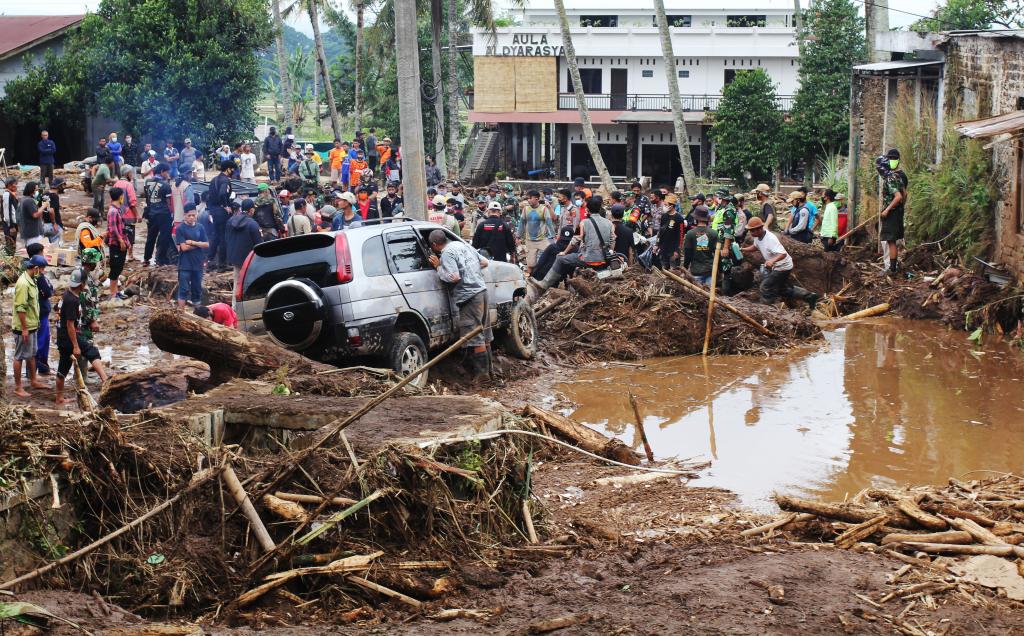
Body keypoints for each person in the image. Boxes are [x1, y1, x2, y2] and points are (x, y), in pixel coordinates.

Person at [426, 229, 492, 379]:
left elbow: (454, 277)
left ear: (434, 245)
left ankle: (483, 377)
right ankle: (490, 372)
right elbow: (484, 262)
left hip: (470, 297)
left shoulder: (446, 254)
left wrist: (438, 267)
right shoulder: (463, 245)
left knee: (475, 337)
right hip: (482, 291)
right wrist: (470, 271)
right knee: (485, 335)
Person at [529, 198, 613, 300]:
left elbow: (575, 239)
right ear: (600, 208)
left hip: (588, 259)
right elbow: (613, 239)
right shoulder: (609, 223)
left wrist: (564, 252)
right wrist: (610, 251)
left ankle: (544, 283)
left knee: (560, 259)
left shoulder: (584, 222)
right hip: (604, 259)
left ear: (588, 209)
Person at [54, 268, 108, 406]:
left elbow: (57, 310)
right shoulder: (72, 300)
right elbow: (70, 325)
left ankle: (59, 398)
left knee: (63, 368)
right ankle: (106, 381)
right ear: (82, 284)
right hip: (69, 336)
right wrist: (76, 346)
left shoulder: (67, 294)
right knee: (92, 352)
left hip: (62, 336)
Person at [741, 217, 819, 309]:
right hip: (778, 266)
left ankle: (767, 309)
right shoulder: (758, 237)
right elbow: (755, 246)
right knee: (782, 289)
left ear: (759, 229)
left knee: (765, 286)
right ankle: (809, 296)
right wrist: (743, 249)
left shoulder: (770, 239)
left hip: (783, 267)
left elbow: (783, 254)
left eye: (752, 231)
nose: (750, 232)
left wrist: (772, 261)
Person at [12, 255, 49, 397]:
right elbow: (20, 308)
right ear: (35, 268)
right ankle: (18, 387)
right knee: (19, 356)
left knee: (32, 354)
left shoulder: (32, 279)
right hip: (23, 327)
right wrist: (24, 329)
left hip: (32, 324)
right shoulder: (23, 284)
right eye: (42, 269)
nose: (43, 272)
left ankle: (33, 380)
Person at [25, 243, 53, 376]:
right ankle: (34, 371)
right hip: (39, 313)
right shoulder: (38, 276)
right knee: (40, 342)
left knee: (42, 341)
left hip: (38, 312)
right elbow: (48, 291)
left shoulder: (29, 271)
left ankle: (40, 368)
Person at [879, 148, 908, 275]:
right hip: (897, 211)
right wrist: (900, 207)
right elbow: (905, 194)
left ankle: (891, 269)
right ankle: (892, 267)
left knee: (890, 241)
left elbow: (899, 196)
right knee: (892, 240)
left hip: (891, 212)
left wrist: (887, 209)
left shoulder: (891, 177)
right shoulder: (898, 176)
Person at [175, 207, 209, 308]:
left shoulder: (200, 227)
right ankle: (181, 312)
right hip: (185, 264)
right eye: (189, 215)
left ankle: (197, 311)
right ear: (184, 215)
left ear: (196, 215)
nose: (191, 217)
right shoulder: (180, 228)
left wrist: (192, 242)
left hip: (198, 263)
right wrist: (199, 244)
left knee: (197, 289)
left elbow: (207, 244)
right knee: (183, 289)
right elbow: (184, 248)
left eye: (193, 215)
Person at [227, 199, 263, 288]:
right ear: (251, 210)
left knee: (237, 283)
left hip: (235, 259)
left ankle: (236, 298)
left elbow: (226, 239)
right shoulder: (253, 224)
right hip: (250, 261)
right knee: (250, 285)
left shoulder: (230, 221)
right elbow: (259, 245)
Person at [517, 190, 556, 274]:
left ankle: (548, 276)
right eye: (527, 198)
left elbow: (549, 223)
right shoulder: (525, 209)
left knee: (550, 257)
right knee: (530, 264)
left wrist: (553, 236)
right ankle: (530, 278)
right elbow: (521, 223)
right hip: (529, 240)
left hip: (542, 239)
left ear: (537, 199)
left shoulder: (544, 209)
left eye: (530, 198)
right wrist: (518, 236)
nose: (528, 200)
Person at [143, 163, 174, 266]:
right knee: (164, 237)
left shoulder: (147, 182)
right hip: (164, 214)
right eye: (167, 172)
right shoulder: (166, 185)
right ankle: (161, 259)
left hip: (151, 213)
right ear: (162, 172)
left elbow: (147, 199)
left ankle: (146, 259)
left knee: (151, 237)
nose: (168, 174)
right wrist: (172, 214)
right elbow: (169, 203)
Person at [207, 160, 235, 268]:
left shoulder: (214, 180)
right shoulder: (225, 180)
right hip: (222, 212)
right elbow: (223, 193)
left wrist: (211, 210)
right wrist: (226, 205)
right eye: (232, 169)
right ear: (228, 169)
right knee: (224, 238)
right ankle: (222, 264)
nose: (233, 171)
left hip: (214, 211)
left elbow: (209, 197)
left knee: (216, 236)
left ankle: (210, 260)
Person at [683, 208, 719, 286]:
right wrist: (720, 270)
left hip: (696, 270)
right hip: (710, 270)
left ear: (696, 219)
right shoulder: (714, 233)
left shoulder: (690, 234)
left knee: (696, 293)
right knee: (709, 292)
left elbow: (687, 254)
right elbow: (717, 253)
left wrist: (685, 268)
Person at [105, 186, 130, 300]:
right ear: (120, 197)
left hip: (121, 242)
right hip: (116, 244)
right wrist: (120, 240)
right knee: (115, 268)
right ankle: (113, 293)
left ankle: (116, 291)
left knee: (119, 267)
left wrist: (126, 242)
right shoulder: (113, 211)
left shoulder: (117, 209)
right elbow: (112, 228)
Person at [111, 169, 137, 257]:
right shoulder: (129, 185)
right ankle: (130, 254)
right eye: (131, 173)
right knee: (130, 233)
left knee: (119, 231)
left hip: (118, 213)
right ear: (127, 174)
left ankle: (121, 253)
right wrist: (137, 215)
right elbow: (132, 202)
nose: (132, 175)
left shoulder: (116, 184)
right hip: (128, 214)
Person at [656, 197, 686, 270]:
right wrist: (657, 244)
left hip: (673, 249)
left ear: (671, 206)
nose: (664, 206)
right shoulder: (664, 216)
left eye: (666, 205)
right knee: (663, 269)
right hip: (664, 248)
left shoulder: (679, 218)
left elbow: (681, 235)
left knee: (674, 270)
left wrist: (677, 250)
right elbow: (661, 231)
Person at [18, 181, 46, 249]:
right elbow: (35, 214)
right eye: (36, 190)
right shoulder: (29, 201)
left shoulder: (23, 199)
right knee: (36, 252)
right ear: (31, 190)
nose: (37, 191)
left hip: (28, 232)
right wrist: (44, 206)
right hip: (33, 233)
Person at [43, 178, 66, 245]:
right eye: (63, 185)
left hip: (45, 225)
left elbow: (45, 207)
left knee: (48, 248)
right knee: (57, 248)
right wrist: (54, 223)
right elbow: (51, 210)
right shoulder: (54, 196)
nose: (63, 187)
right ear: (59, 186)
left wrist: (58, 206)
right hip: (53, 227)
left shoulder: (45, 194)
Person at [2, 177, 19, 250]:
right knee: (10, 246)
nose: (16, 186)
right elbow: (7, 211)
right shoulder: (7, 195)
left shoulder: (11, 194)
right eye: (15, 184)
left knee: (13, 245)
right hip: (9, 225)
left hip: (13, 223)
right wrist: (11, 226)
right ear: (9, 185)